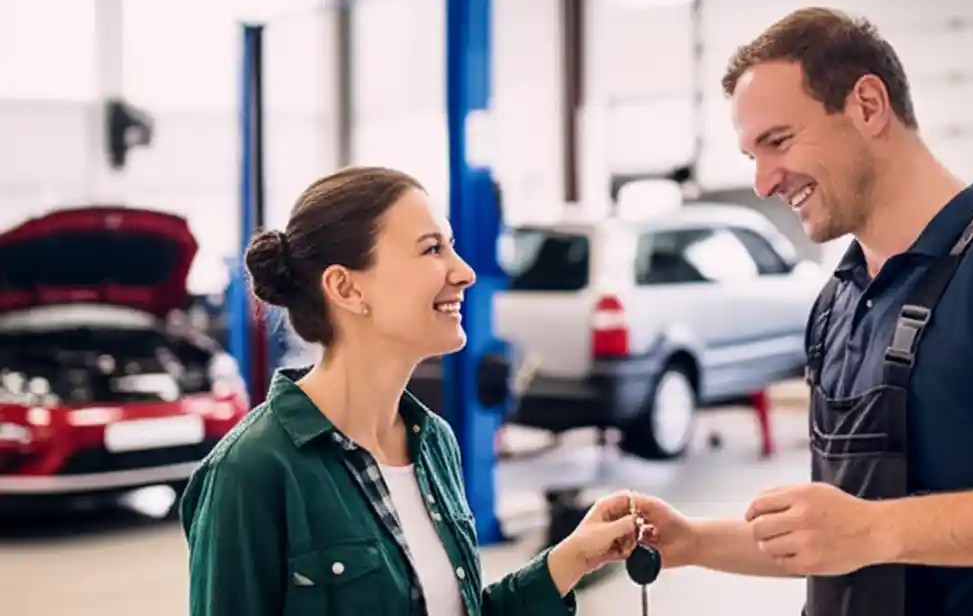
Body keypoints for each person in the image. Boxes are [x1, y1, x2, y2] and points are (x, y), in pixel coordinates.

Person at [633, 8, 973, 615]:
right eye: (751, 154)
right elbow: (836, 533)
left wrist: (875, 530)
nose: (762, 181)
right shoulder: (839, 300)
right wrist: (696, 541)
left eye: (777, 142)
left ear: (867, 104)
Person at [180, 166, 641, 616]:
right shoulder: (251, 472)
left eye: (451, 247)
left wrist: (574, 557)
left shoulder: (432, 442)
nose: (464, 272)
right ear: (346, 287)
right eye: (431, 250)